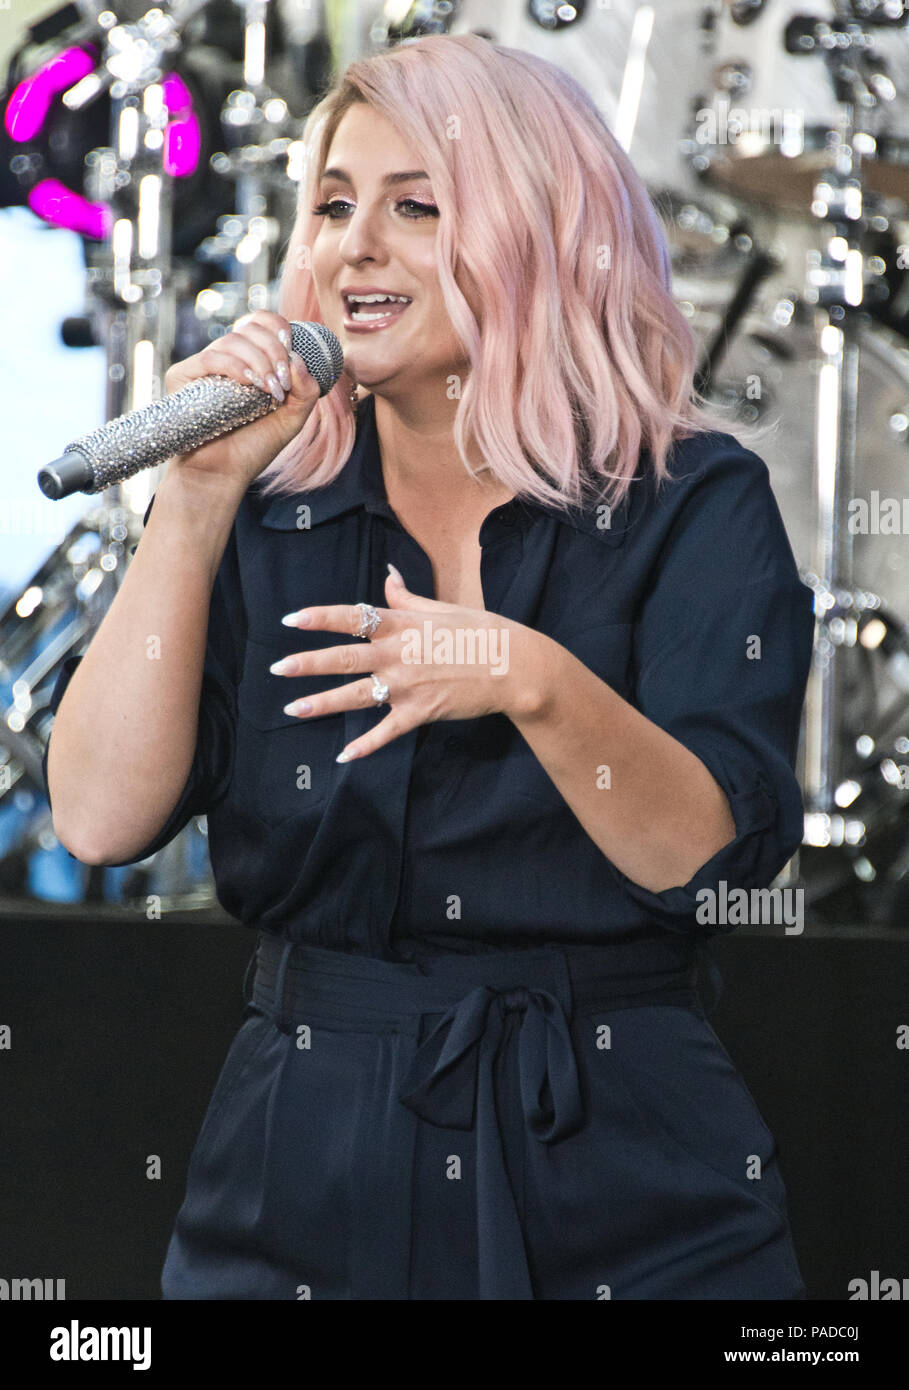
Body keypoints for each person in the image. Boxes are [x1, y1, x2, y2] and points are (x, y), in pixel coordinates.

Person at [42, 33, 816, 1300]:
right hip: (304, 1147)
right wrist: (191, 499)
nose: (357, 244)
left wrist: (534, 679)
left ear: (540, 231)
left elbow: (705, 859)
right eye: (336, 206)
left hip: (616, 1146)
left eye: (417, 207)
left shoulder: (689, 499)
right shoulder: (267, 503)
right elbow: (99, 813)